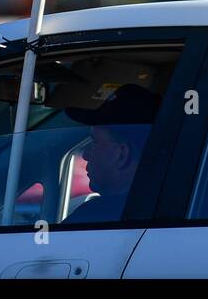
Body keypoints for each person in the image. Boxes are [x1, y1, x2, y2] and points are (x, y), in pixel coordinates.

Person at [63, 84, 161, 224]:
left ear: (122, 155)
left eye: (94, 142)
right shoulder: (175, 206)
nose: (86, 154)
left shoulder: (95, 216)